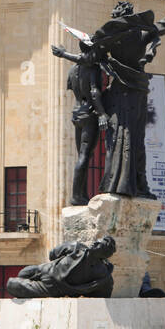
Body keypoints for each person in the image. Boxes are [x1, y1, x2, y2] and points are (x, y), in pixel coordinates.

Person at [91, 0, 165, 199]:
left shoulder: (111, 41)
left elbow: (90, 54)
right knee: (132, 138)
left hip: (122, 94)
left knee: (122, 137)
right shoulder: (140, 35)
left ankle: (122, 184)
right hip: (135, 92)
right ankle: (136, 185)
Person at [50, 37, 111, 206]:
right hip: (89, 114)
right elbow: (93, 92)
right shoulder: (93, 69)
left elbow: (73, 88)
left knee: (82, 155)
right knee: (84, 155)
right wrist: (101, 114)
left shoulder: (72, 70)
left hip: (76, 114)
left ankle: (81, 194)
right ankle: (76, 196)